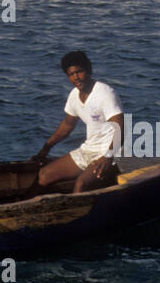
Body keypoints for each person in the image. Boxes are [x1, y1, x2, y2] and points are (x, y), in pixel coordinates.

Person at [30, 51, 123, 193]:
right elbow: (67, 125)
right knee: (44, 175)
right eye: (71, 74)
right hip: (88, 150)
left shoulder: (105, 93)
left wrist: (107, 157)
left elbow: (121, 126)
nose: (76, 78)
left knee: (80, 185)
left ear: (89, 70)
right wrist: (46, 148)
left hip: (112, 154)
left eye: (79, 72)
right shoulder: (74, 95)